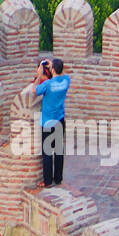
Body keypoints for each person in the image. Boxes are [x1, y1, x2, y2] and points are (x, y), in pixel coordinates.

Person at [30, 58, 70, 187]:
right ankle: (58, 179)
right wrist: (54, 66)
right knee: (58, 151)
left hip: (47, 122)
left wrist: (39, 75)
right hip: (60, 119)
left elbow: (34, 91)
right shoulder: (66, 80)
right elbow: (62, 74)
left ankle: (47, 181)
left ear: (52, 70)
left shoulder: (47, 85)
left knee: (47, 152)